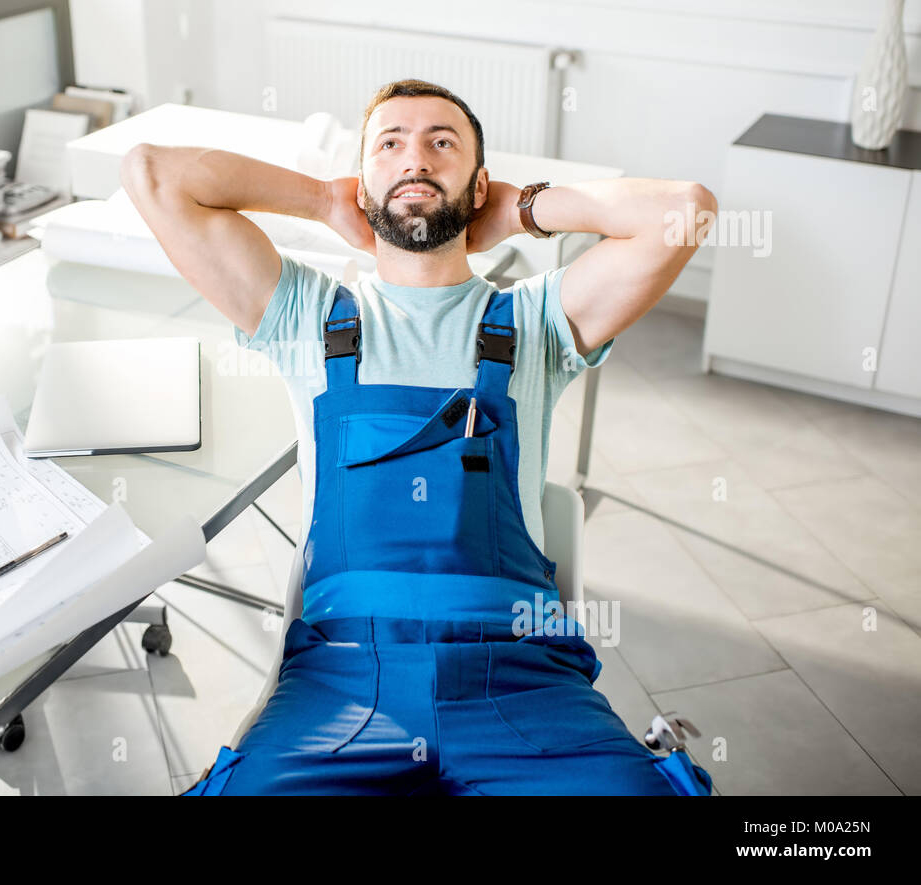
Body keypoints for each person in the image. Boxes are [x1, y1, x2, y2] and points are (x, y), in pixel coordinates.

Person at [120, 78, 717, 795]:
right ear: (363, 181)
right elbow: (151, 173)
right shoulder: (305, 315)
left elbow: (686, 211)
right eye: (390, 145)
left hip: (522, 681)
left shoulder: (534, 323)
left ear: (480, 184)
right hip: (339, 686)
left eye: (443, 143)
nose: (416, 159)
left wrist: (525, 210)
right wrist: (319, 199)